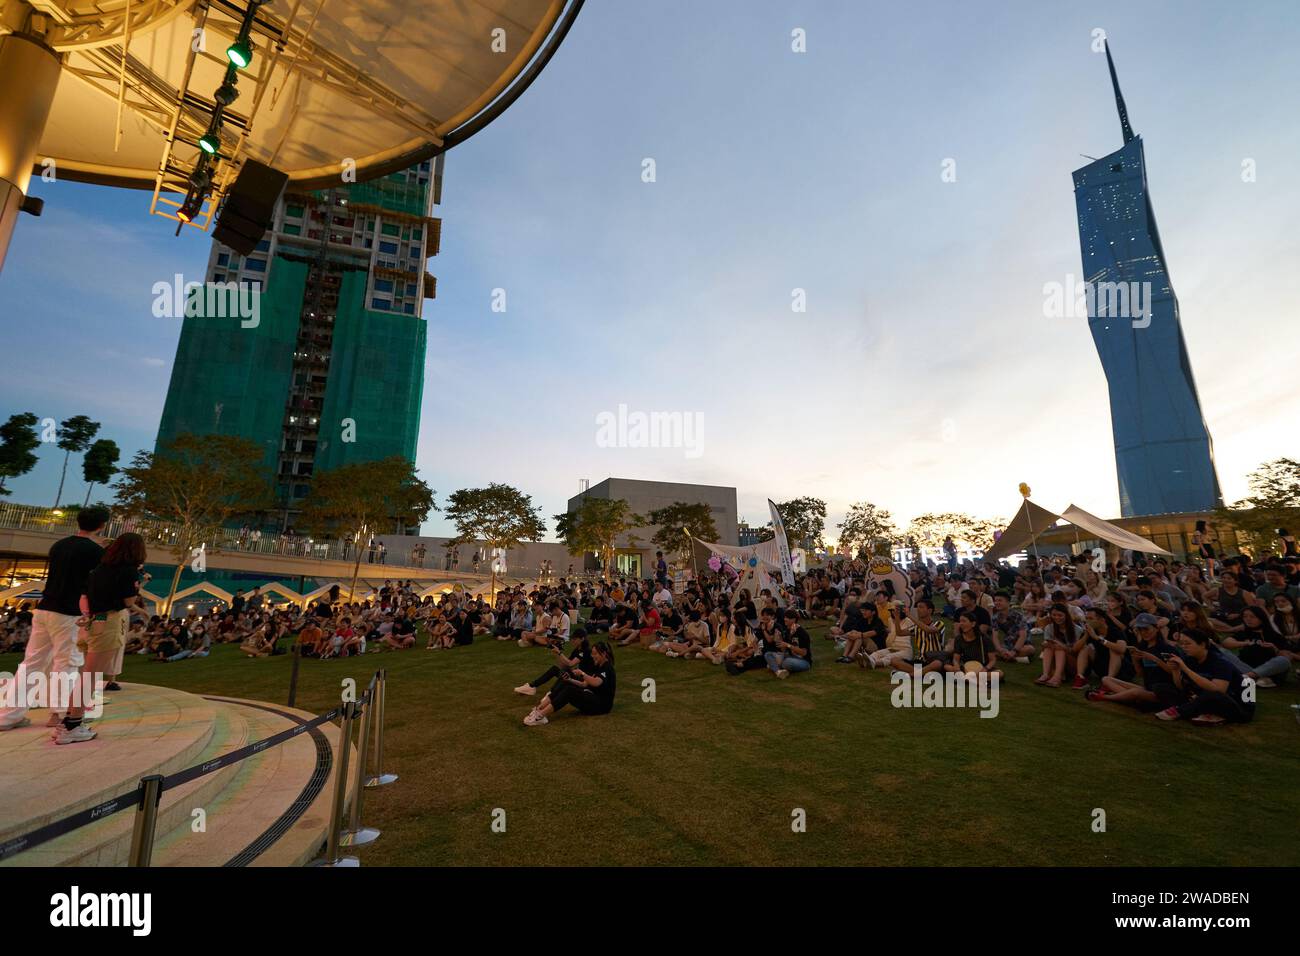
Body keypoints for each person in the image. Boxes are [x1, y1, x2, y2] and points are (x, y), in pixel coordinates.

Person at [0, 506, 109, 731]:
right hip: (69, 613)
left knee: (31, 663)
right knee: (67, 663)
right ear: (102, 526)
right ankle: (59, 713)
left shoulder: (59, 545)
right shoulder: (95, 552)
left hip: (44, 608)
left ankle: (9, 715)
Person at [58, 532, 148, 744]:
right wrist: (139, 587)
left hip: (93, 621)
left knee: (85, 675)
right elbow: (128, 601)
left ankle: (68, 721)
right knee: (90, 676)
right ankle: (72, 726)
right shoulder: (129, 572)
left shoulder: (99, 569)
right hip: (109, 621)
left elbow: (86, 596)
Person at [1156, 629, 1256, 725]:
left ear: (1203, 644)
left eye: (1188, 643)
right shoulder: (1191, 659)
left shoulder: (1221, 662)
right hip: (1203, 697)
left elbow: (1218, 690)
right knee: (1162, 687)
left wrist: (1185, 668)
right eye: (1181, 643)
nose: (1183, 647)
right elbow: (1181, 687)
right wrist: (1176, 670)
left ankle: (1180, 710)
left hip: (1237, 705)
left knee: (1211, 695)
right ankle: (1199, 710)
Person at [523, 641, 616, 726]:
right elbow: (584, 684)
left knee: (569, 690)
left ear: (604, 654)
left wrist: (582, 674)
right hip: (592, 699)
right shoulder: (598, 665)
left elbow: (596, 683)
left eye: (595, 654)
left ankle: (540, 716)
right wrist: (570, 680)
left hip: (601, 707)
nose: (592, 656)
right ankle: (539, 708)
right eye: (592, 653)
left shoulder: (607, 668)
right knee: (566, 684)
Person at [515, 629, 593, 696]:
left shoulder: (586, 651)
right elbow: (564, 666)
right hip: (578, 676)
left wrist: (559, 653)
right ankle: (532, 686)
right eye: (572, 639)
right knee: (555, 669)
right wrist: (557, 653)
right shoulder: (577, 650)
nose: (573, 641)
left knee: (565, 673)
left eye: (575, 639)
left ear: (582, 639)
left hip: (585, 680)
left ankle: (552, 692)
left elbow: (570, 663)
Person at [764, 609, 812, 678]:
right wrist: (779, 639)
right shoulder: (787, 631)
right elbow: (783, 650)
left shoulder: (802, 633)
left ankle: (774, 666)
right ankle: (778, 672)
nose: (785, 619)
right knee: (768, 654)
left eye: (787, 618)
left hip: (803, 661)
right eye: (785, 617)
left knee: (787, 662)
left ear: (794, 620)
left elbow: (804, 653)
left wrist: (788, 645)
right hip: (789, 656)